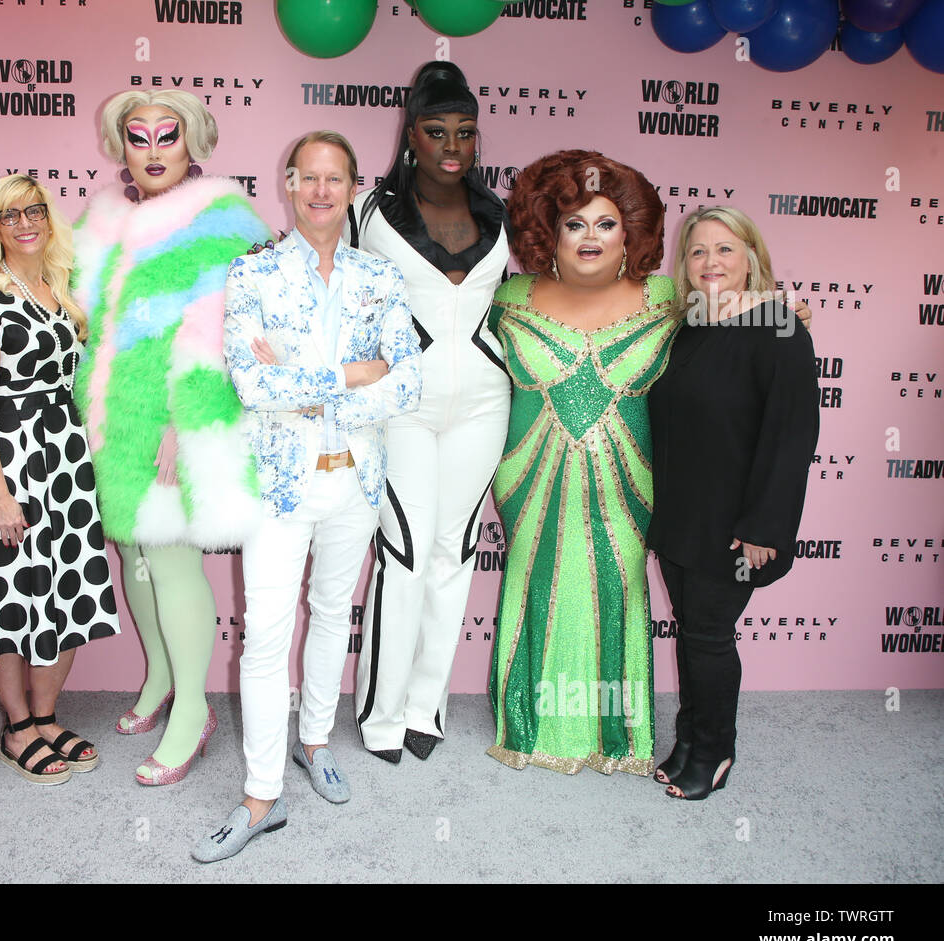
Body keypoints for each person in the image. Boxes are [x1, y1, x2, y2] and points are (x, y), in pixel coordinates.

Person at [193, 131, 422, 863]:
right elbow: (251, 385)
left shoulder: (382, 277)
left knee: (331, 614)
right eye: (308, 178)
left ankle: (315, 742)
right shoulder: (252, 275)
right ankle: (262, 795)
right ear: (288, 184)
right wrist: (352, 376)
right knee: (264, 635)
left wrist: (311, 383)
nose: (322, 191)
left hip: (356, 479)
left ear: (354, 186)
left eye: (336, 179)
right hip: (279, 485)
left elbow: (409, 381)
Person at [69, 90, 269, 785]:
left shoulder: (221, 220)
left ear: (193, 143)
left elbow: (226, 335)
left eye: (166, 137)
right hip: (108, 423)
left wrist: (183, 431)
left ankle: (194, 709)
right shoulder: (102, 222)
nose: (152, 151)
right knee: (136, 558)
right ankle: (159, 678)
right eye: (138, 137)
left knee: (175, 562)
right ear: (120, 144)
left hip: (173, 423)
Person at [485, 150, 676, 776]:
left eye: (606, 223)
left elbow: (733, 312)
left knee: (618, 583)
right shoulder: (507, 298)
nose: (589, 237)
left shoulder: (668, 298)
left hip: (627, 480)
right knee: (537, 581)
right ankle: (529, 725)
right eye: (575, 223)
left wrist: (778, 315)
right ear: (550, 232)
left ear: (632, 234)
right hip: (529, 475)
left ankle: (616, 735)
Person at [0, 175, 120, 783]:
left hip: (62, 461)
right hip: (8, 461)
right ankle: (17, 728)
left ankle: (46, 716)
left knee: (64, 590)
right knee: (12, 598)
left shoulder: (57, 288)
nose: (24, 223)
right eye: (8, 216)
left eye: (34, 210)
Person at [350, 61, 512, 764]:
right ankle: (381, 716)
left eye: (465, 132)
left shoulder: (504, 216)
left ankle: (427, 708)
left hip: (484, 402)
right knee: (406, 556)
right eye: (437, 129)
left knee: (456, 555)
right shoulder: (367, 212)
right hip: (401, 406)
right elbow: (327, 289)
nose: (453, 145)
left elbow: (580, 279)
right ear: (410, 133)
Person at [646, 206, 819, 800]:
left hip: (738, 525)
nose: (710, 262)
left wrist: (764, 527)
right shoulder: (686, 324)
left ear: (750, 257)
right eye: (697, 251)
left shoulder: (781, 328)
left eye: (725, 249)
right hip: (680, 518)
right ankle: (689, 738)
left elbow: (791, 435)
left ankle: (716, 750)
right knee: (693, 632)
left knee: (711, 635)